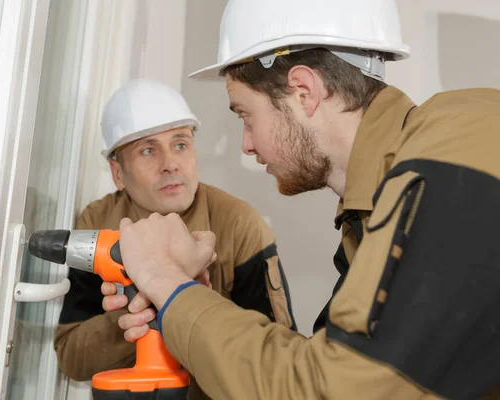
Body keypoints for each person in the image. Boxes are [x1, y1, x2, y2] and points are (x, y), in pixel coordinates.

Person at [101, 0, 500, 399]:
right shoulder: (374, 214)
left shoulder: (461, 147)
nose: (246, 145)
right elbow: (319, 362)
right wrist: (191, 302)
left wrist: (167, 283)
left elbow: (333, 390)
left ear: (304, 91)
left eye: (245, 115)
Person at [54, 78, 297, 399]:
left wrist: (175, 298)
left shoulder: (239, 225)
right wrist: (133, 317)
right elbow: (72, 358)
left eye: (180, 144)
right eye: (148, 150)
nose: (170, 164)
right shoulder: (97, 225)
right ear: (117, 173)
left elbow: (277, 364)